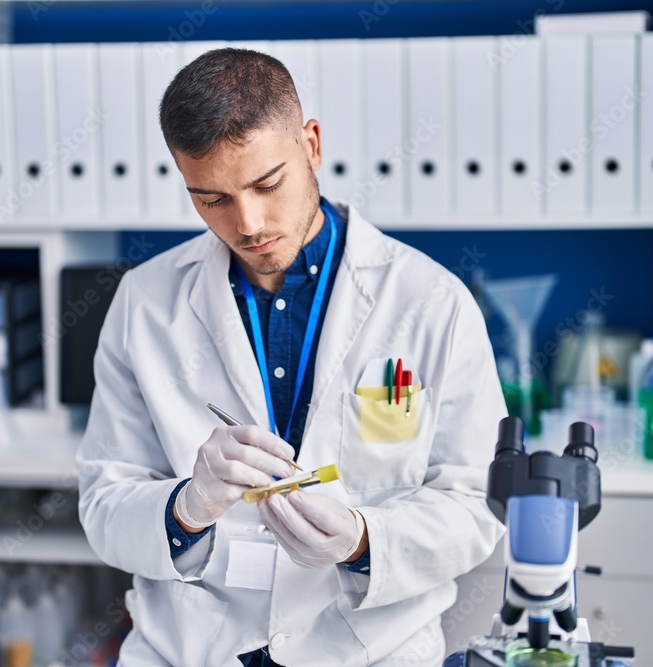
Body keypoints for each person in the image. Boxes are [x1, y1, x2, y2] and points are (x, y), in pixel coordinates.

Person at [76, 48, 506, 666]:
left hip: (368, 649)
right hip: (191, 649)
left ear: (311, 144)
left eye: (266, 184)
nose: (247, 223)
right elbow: (104, 498)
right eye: (211, 198)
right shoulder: (145, 302)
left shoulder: (431, 302)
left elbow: (475, 500)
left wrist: (365, 539)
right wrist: (185, 508)